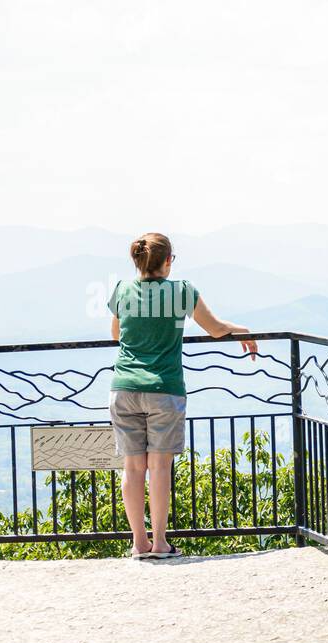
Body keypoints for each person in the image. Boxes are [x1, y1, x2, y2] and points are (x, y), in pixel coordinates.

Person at [107, 232, 257, 558]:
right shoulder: (181, 292)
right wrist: (242, 330)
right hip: (164, 388)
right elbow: (216, 329)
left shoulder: (122, 290)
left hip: (124, 387)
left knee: (132, 469)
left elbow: (117, 334)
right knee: (160, 467)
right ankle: (160, 543)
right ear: (167, 262)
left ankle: (138, 543)